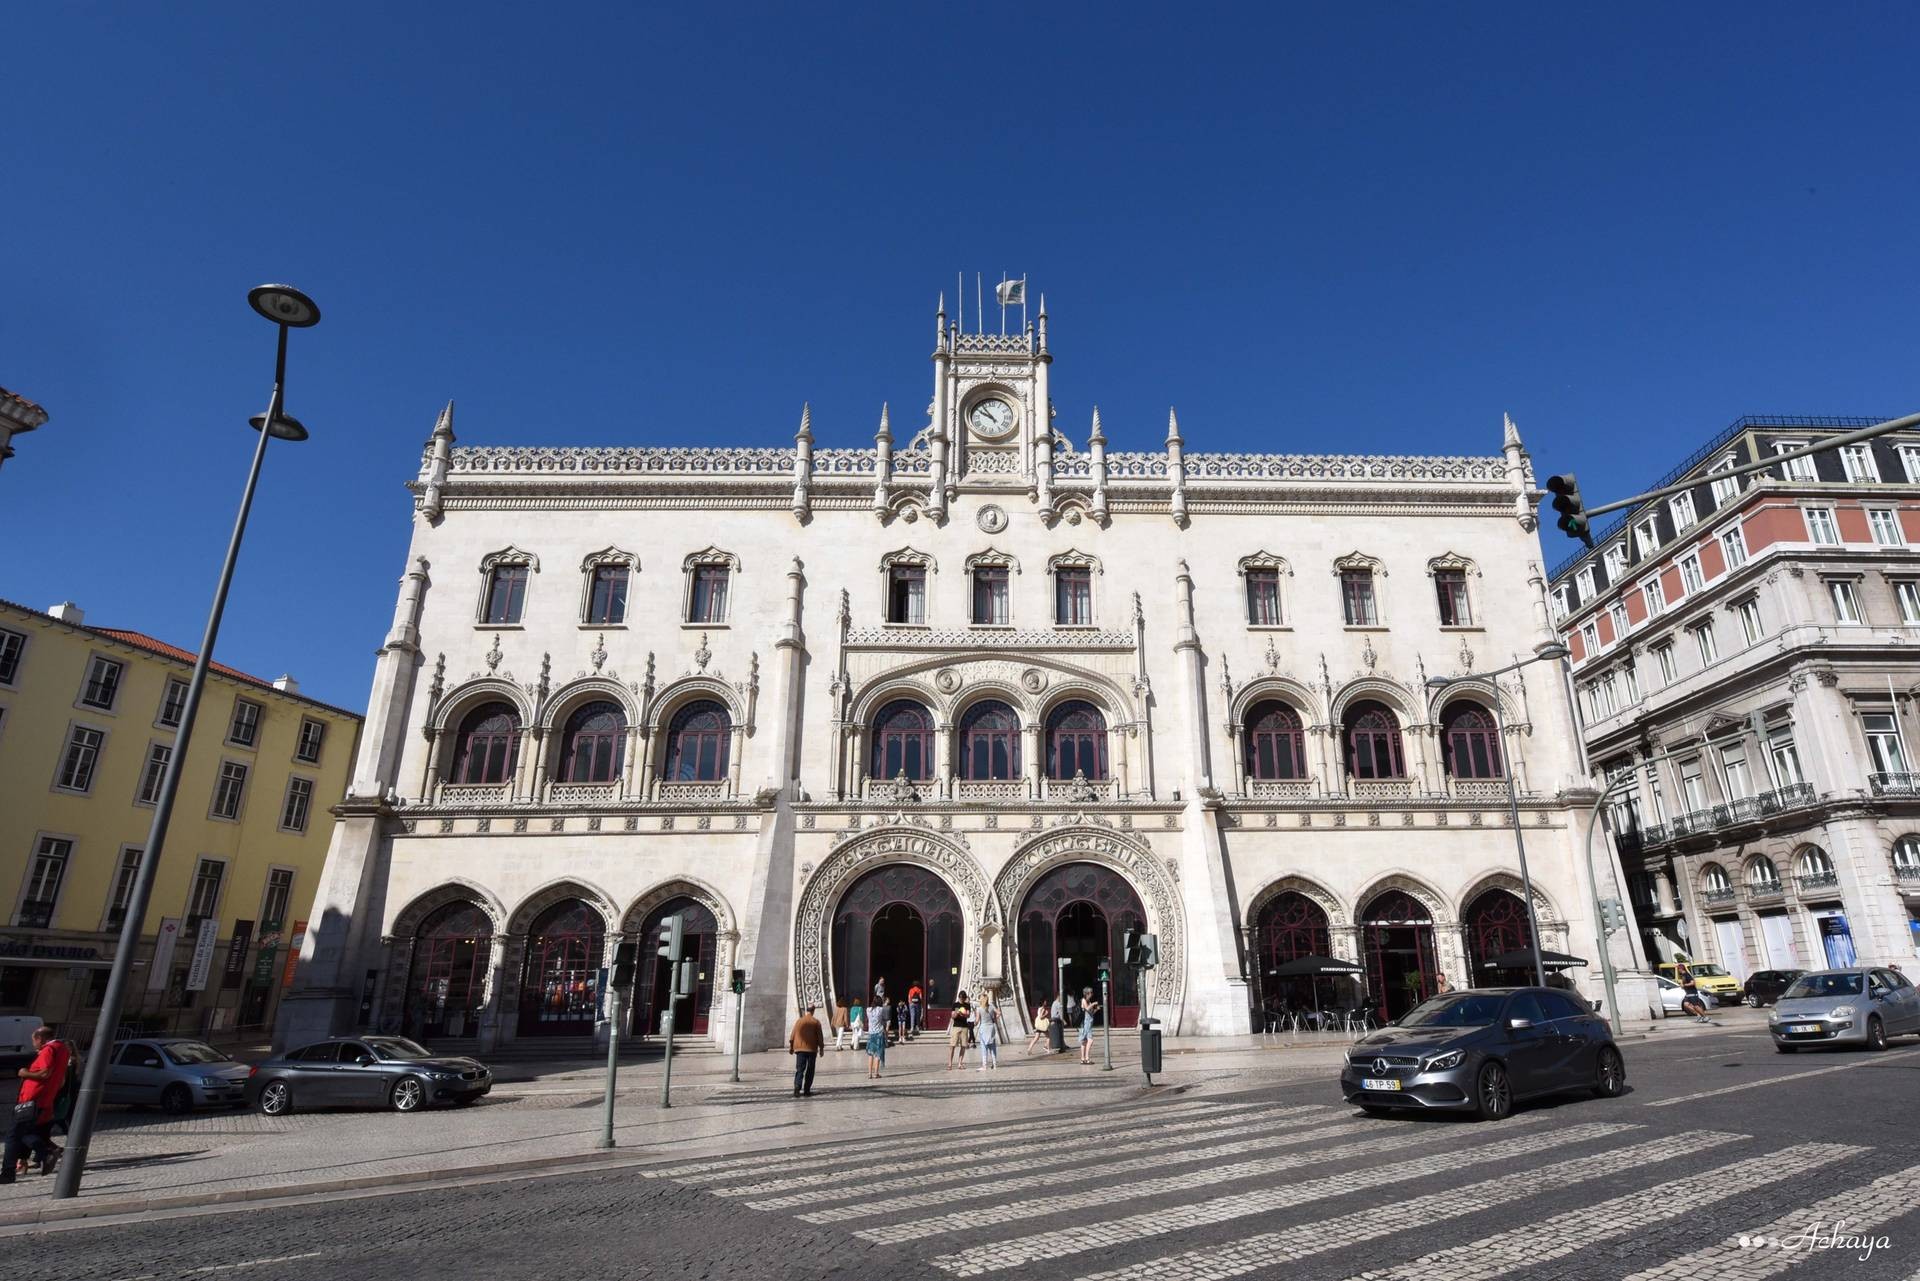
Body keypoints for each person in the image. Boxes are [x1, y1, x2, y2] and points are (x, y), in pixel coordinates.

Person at [3, 1027, 69, 1183]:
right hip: (44, 1099)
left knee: (13, 1136)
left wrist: (24, 1073)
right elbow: (60, 1080)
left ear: (40, 1038)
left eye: (34, 1041)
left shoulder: (48, 1050)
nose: (34, 1045)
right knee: (25, 1132)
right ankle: (46, 1151)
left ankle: (9, 1172)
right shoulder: (63, 1050)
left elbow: (45, 1073)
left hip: (32, 1099)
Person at [789, 1004, 825, 1097]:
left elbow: (793, 1034)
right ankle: (807, 1090)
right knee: (810, 1069)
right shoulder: (816, 1022)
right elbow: (820, 1037)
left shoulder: (799, 1021)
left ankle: (797, 1087)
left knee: (800, 1069)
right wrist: (821, 1048)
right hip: (811, 1049)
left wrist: (791, 1047)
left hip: (800, 1049)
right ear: (813, 1011)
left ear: (807, 1010)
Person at [864, 998, 889, 1080]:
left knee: (870, 1054)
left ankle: (869, 1073)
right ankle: (876, 1073)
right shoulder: (881, 1010)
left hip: (871, 1034)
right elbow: (885, 1014)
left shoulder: (868, 1010)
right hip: (879, 1034)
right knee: (877, 1054)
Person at [947, 989, 972, 1069]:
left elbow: (968, 1015)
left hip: (964, 1027)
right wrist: (957, 1013)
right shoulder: (955, 1005)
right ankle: (950, 1064)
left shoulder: (967, 1005)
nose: (961, 999)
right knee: (952, 1045)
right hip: (956, 1026)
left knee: (963, 1045)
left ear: (965, 998)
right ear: (959, 997)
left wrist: (963, 1014)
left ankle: (960, 1063)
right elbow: (952, 1016)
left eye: (963, 998)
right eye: (960, 998)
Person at [977, 995, 1001, 1070]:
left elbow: (977, 1020)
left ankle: (984, 1066)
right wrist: (995, 1018)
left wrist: (974, 1023)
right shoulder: (991, 1006)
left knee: (984, 1047)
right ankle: (994, 1064)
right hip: (991, 1027)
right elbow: (999, 1013)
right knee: (992, 1046)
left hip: (983, 1028)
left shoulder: (979, 1009)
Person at [1078, 987, 1101, 1064]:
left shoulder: (1089, 1001)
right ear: (1087, 993)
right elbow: (1087, 1008)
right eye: (1091, 993)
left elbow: (1091, 1013)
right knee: (1089, 1041)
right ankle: (1086, 1058)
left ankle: (1083, 1059)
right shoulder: (1083, 1000)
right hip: (1084, 1024)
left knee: (1084, 1041)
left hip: (1089, 1023)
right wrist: (1094, 1004)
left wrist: (1096, 1009)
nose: (1092, 994)